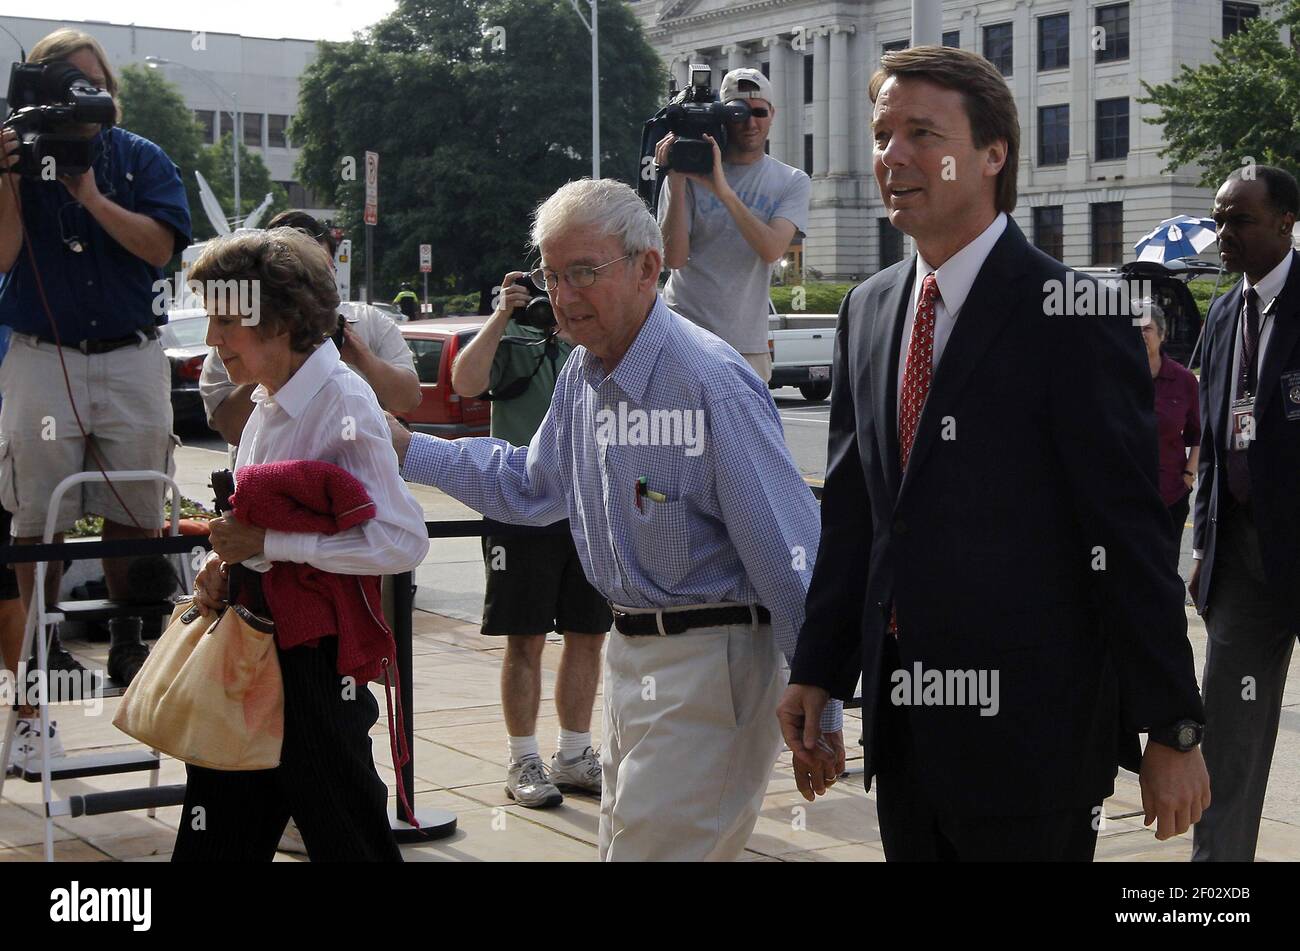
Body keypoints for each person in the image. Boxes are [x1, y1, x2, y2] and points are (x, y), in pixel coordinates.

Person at [776, 45, 1209, 861]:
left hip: (1034, 741)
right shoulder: (869, 311)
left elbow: (1125, 536)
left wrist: (1174, 724)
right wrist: (819, 667)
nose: (892, 156)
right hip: (903, 732)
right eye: (880, 135)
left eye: (920, 133)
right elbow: (858, 515)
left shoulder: (1076, 313)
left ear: (992, 153)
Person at [390, 178, 839, 861]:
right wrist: (405, 449)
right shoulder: (583, 374)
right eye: (551, 274)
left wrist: (821, 702)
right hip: (635, 660)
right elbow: (530, 486)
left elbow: (789, 552)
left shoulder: (705, 381)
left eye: (584, 273)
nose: (563, 296)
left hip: (710, 670)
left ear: (647, 266)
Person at [177, 227, 428, 861]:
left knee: (350, 842)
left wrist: (271, 543)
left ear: (279, 319)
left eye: (224, 322)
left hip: (312, 668)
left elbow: (401, 539)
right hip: (256, 648)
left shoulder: (341, 399)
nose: (211, 341)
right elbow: (255, 529)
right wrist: (223, 559)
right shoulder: (268, 401)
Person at [0, 29, 192, 712]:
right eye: (70, 84)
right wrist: (5, 179)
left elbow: (159, 250)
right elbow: (3, 257)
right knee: (37, 511)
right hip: (42, 352)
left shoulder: (138, 158)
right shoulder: (17, 157)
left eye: (97, 83)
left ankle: (130, 630)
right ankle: (40, 643)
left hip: (131, 350)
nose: (87, 96)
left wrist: (88, 193)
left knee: (137, 503)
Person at [449, 272, 609, 808]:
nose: (556, 296)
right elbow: (465, 382)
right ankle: (522, 757)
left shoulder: (597, 336)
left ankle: (575, 754)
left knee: (590, 633)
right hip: (518, 502)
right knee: (526, 636)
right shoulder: (513, 336)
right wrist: (502, 315)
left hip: (590, 501)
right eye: (546, 282)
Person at [1190, 165, 1300, 862]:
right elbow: (1210, 434)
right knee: (1226, 737)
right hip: (1242, 558)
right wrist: (1203, 540)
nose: (1222, 234)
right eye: (1219, 219)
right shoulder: (1225, 311)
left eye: (1240, 220)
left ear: (1288, 223)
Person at [200, 211, 421, 449]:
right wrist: (276, 360)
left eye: (319, 267)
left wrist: (363, 358)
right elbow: (231, 429)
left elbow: (408, 399)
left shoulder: (368, 323)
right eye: (293, 272)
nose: (212, 338)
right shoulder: (236, 338)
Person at [656, 67, 809, 382]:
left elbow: (770, 249)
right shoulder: (685, 170)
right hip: (683, 335)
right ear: (722, 116)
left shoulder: (791, 181)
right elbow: (673, 259)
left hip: (746, 345)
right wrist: (675, 181)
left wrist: (722, 190)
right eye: (739, 112)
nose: (751, 123)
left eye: (759, 112)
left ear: (772, 114)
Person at [1139, 298, 1201, 564]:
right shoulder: (1114, 377)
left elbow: (1198, 435)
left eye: (1146, 328)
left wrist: (1188, 475)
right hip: (1126, 495)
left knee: (1165, 571)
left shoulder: (1183, 380)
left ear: (1162, 334)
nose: (1140, 335)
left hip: (1170, 496)